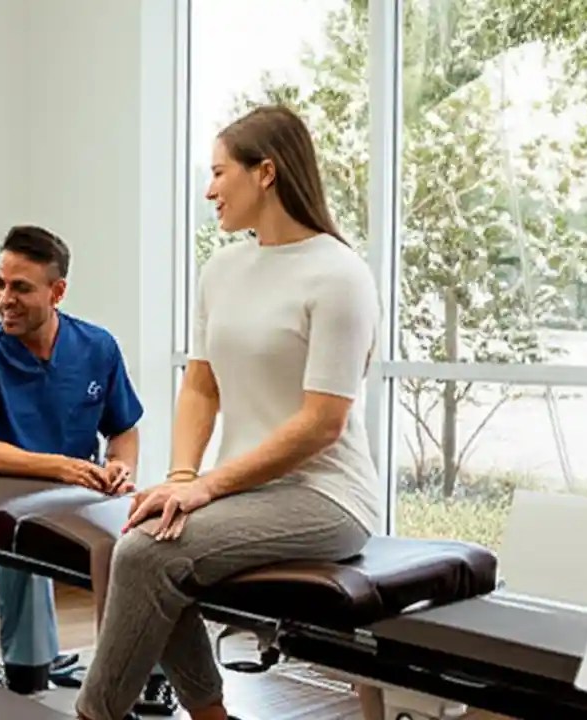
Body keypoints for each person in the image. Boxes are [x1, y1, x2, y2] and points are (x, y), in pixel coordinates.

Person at [75, 105, 382, 720]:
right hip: (243, 490)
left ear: (265, 172)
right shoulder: (222, 270)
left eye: (220, 173)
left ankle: (94, 715)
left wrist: (209, 485)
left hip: (325, 496)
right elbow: (201, 386)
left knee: (146, 555)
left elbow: (324, 421)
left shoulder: (339, 274)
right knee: (134, 539)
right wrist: (183, 477)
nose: (210, 189)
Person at [0, 225, 143, 695]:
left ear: (58, 292)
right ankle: (27, 674)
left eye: (21, 287)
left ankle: (143, 673)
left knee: (148, 546)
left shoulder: (97, 347)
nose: (4, 298)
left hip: (83, 494)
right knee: (25, 544)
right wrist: (61, 466)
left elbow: (124, 427)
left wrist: (122, 465)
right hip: (7, 497)